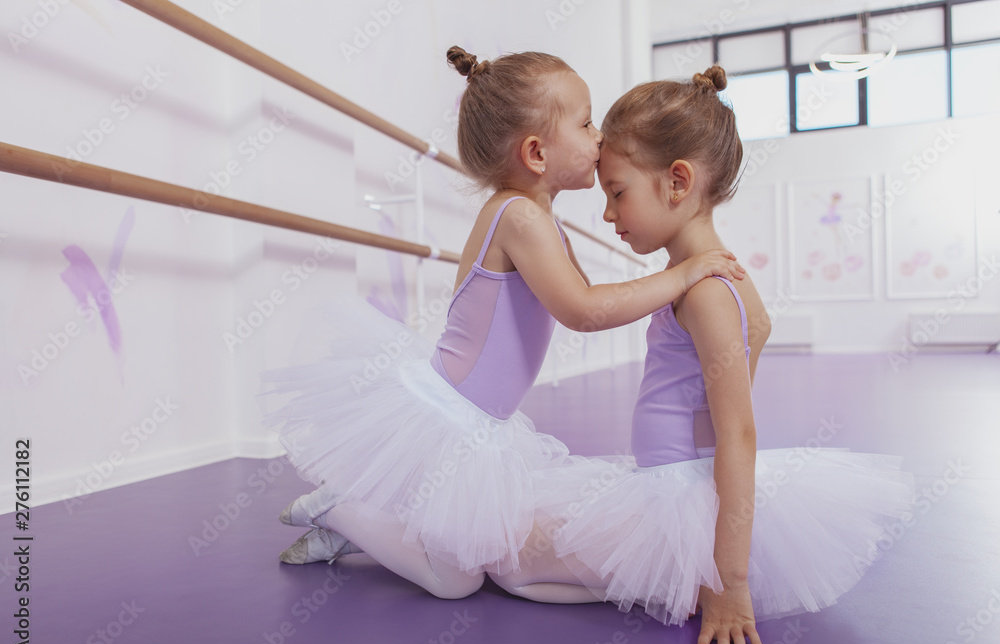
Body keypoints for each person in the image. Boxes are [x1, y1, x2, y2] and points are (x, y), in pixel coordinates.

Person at [259, 49, 745, 601]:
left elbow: (596, 300)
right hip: (452, 416)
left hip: (483, 421)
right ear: (537, 152)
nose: (599, 138)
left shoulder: (541, 220)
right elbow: (584, 310)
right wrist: (682, 275)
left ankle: (354, 525)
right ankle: (339, 508)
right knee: (457, 581)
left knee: (479, 557)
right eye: (586, 124)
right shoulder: (518, 216)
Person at [488, 66, 915, 644]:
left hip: (673, 500)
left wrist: (730, 587)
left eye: (617, 192)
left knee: (505, 559)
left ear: (678, 181)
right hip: (669, 488)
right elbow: (756, 331)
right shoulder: (711, 277)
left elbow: (738, 434)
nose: (610, 214)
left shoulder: (706, 290)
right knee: (522, 545)